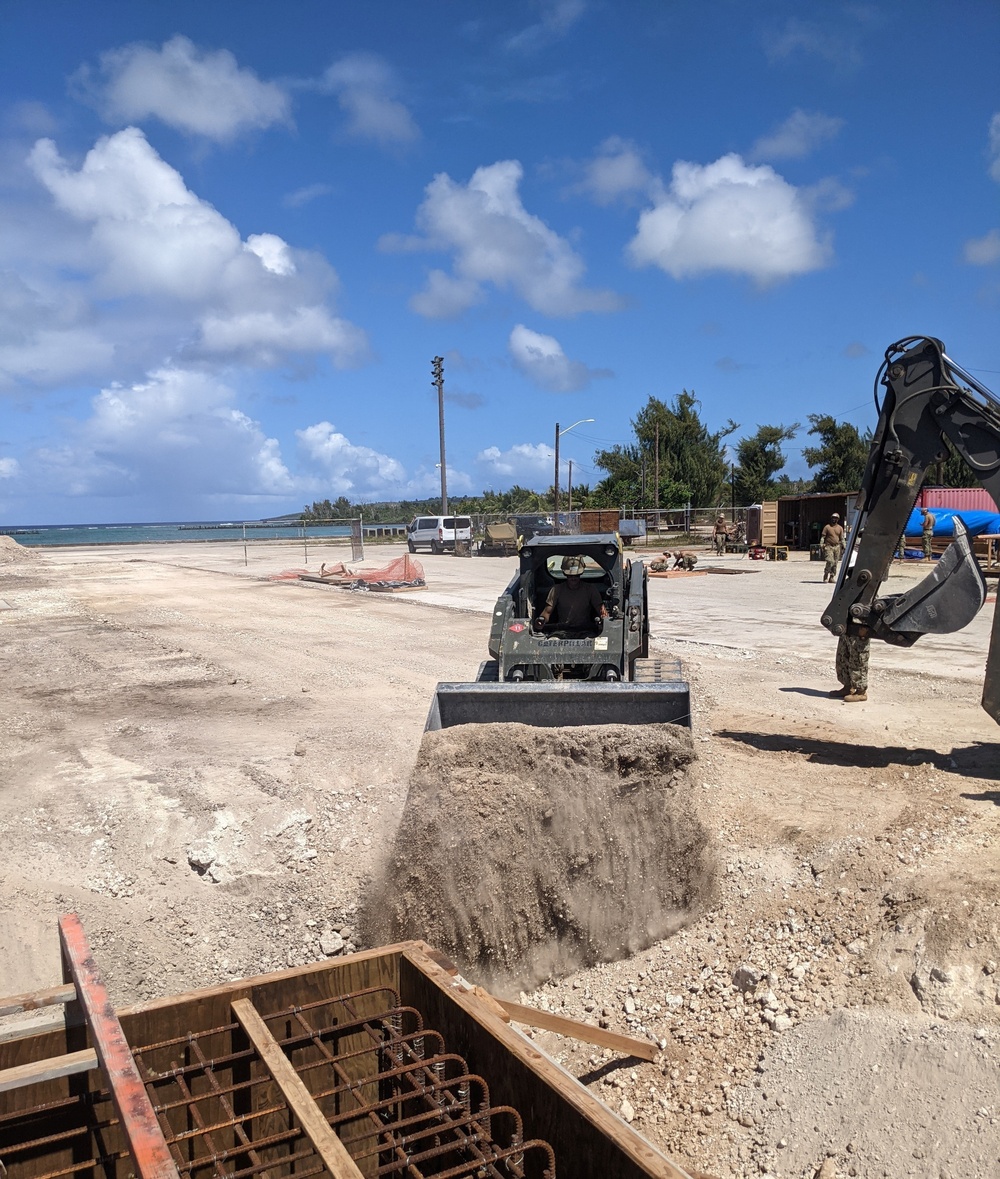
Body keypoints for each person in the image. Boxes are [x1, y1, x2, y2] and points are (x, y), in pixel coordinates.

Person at [534, 555, 607, 635]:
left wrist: (604, 619)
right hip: (562, 630)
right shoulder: (557, 589)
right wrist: (541, 620)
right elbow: (547, 612)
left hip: (585, 630)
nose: (573, 578)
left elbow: (600, 609)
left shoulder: (590, 589)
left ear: (581, 573)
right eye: (570, 576)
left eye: (576, 575)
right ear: (564, 574)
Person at [833, 631, 870, 702]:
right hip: (847, 624)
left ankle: (861, 692)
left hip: (861, 624)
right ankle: (848, 687)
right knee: (843, 654)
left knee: (858, 658)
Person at [820, 513, 845, 583]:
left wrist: (844, 546)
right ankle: (826, 575)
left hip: (837, 547)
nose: (834, 519)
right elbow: (823, 537)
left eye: (836, 518)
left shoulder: (840, 528)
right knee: (830, 561)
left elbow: (842, 538)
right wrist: (821, 544)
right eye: (833, 518)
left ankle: (832, 577)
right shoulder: (827, 527)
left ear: (838, 519)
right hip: (828, 546)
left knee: (835, 563)